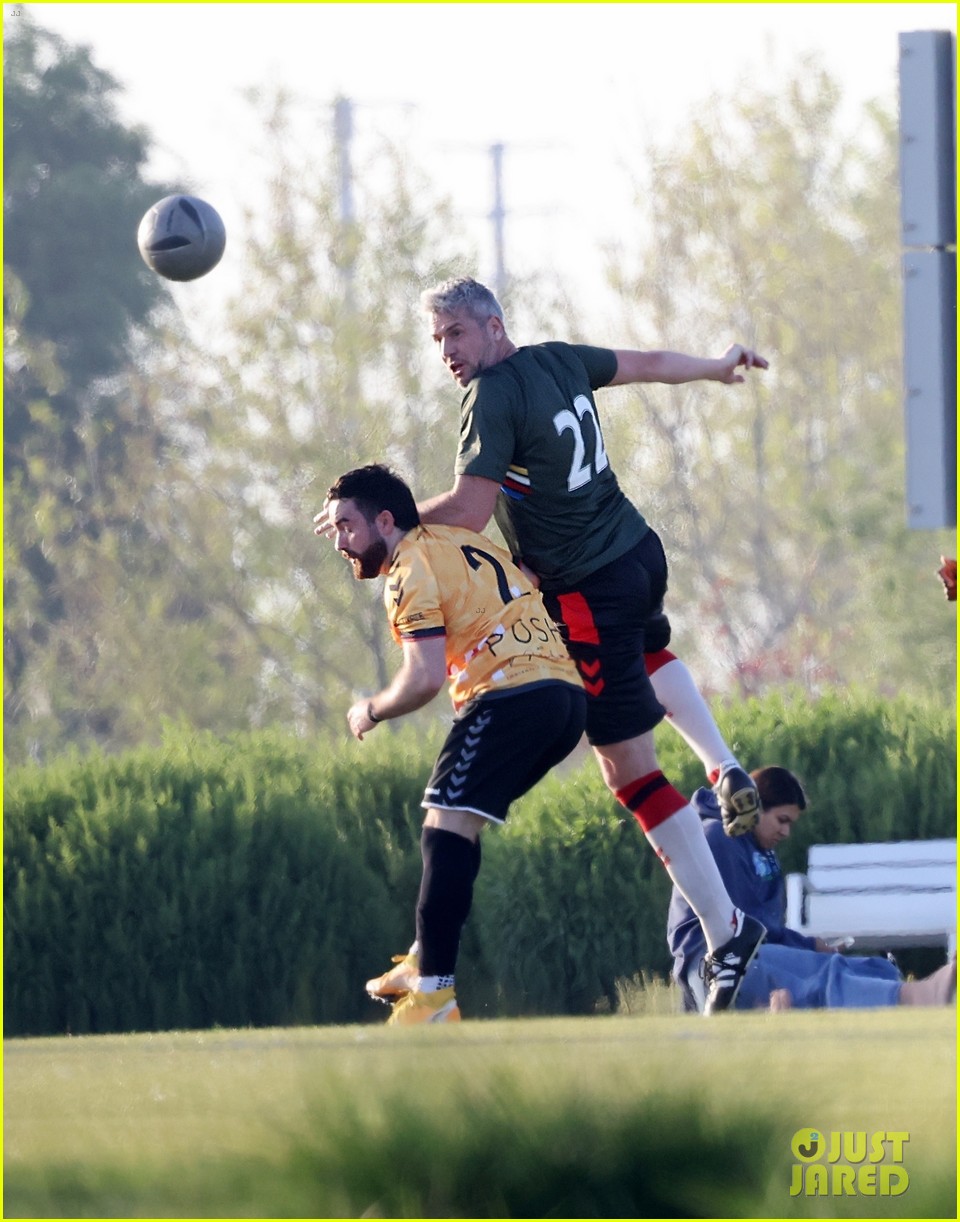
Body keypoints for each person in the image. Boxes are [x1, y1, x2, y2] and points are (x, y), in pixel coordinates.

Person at [402, 276, 769, 1012]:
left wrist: (393, 523)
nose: (446, 351)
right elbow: (648, 362)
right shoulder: (558, 359)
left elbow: (470, 512)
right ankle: (721, 765)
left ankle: (726, 928)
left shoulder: (492, 393)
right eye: (437, 339)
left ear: (493, 326)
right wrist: (715, 364)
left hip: (590, 589)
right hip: (636, 553)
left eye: (456, 335)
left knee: (629, 769)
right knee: (644, 669)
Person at [324, 463, 587, 1025]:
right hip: (565, 698)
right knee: (456, 825)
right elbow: (527, 580)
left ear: (386, 521)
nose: (341, 542)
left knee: (444, 827)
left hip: (510, 695)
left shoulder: (407, 568)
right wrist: (349, 508)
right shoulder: (461, 539)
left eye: (347, 527)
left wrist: (369, 709)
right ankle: (424, 958)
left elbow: (422, 679)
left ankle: (435, 994)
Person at [667, 766, 958, 1011]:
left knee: (871, 968)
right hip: (717, 968)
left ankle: (905, 992)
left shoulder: (759, 850)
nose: (786, 832)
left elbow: (765, 930)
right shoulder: (718, 840)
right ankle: (913, 997)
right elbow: (739, 934)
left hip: (754, 956)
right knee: (820, 973)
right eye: (782, 820)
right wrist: (807, 947)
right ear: (755, 808)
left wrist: (812, 946)